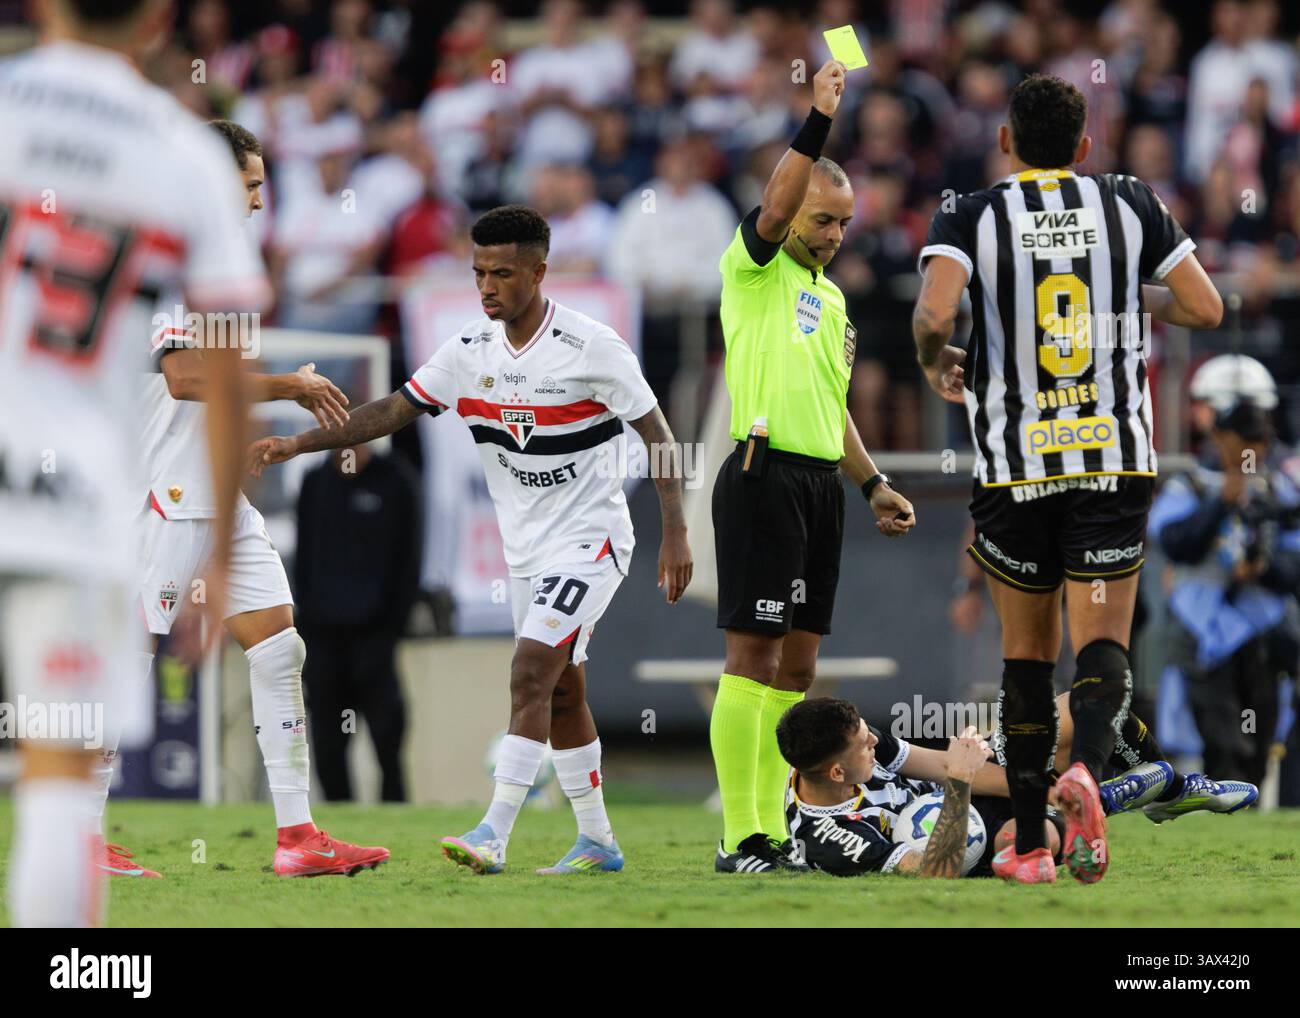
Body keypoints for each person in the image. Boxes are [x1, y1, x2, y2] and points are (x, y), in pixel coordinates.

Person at [249, 204, 693, 875]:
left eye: (503, 274)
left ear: (540, 272)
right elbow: (391, 410)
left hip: (591, 539)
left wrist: (676, 534)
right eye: (479, 272)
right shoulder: (467, 352)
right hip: (526, 555)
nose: (487, 286)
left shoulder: (591, 347)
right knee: (563, 690)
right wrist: (300, 442)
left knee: (530, 669)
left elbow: (658, 436)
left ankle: (494, 830)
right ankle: (598, 841)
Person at [912, 73, 1223, 884]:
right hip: (1111, 456)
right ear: (1085, 148)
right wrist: (1119, 295)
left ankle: (1028, 845)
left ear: (1006, 142)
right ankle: (1087, 770)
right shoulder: (1128, 201)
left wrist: (934, 363)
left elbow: (933, 317)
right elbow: (1205, 308)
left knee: (1023, 656)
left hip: (1016, 465)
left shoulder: (969, 212)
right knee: (1104, 645)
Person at [0, 0, 258, 925]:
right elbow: (222, 378)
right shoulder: (184, 157)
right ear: (157, 19)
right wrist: (221, 551)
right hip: (69, 509)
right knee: (58, 786)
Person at [125, 119, 390, 878]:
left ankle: (298, 836)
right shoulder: (168, 257)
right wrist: (288, 385)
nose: (256, 200)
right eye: (247, 185)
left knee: (279, 646)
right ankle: (80, 836)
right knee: (135, 654)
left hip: (215, 490)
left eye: (260, 186)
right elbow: (180, 377)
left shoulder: (222, 264)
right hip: (164, 493)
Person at [708, 58, 915, 875]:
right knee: (751, 658)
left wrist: (872, 482)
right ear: (792, 214)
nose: (833, 235)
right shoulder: (754, 270)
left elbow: (834, 411)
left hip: (821, 486)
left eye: (843, 224)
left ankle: (782, 822)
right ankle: (742, 835)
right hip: (762, 477)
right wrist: (820, 117)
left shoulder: (831, 300)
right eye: (823, 220)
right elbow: (778, 196)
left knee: (798, 665)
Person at [777, 697, 1257, 878]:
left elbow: (942, 766)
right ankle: (1122, 798)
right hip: (965, 835)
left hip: (960, 788)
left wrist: (1046, 790)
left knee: (1096, 706)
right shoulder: (836, 840)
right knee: (1027, 842)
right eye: (864, 744)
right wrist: (963, 789)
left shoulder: (855, 748)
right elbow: (935, 871)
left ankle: (1164, 793)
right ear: (836, 774)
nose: (873, 741)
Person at [1149, 358, 1299, 790]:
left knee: (1259, 734)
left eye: (1258, 440)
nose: (1250, 449)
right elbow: (1174, 542)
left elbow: (1293, 565)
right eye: (1242, 439)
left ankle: (1246, 800)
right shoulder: (1193, 486)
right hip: (1204, 636)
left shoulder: (1280, 489)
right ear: (1219, 436)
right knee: (1221, 740)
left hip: (1262, 635)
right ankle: (1219, 795)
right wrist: (1221, 504)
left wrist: (1262, 567)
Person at [295, 443, 423, 802]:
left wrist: (391, 631)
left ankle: (394, 810)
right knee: (328, 739)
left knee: (388, 734)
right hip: (323, 638)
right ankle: (337, 818)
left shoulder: (396, 481)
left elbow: (409, 561)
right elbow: (304, 561)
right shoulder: (315, 483)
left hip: (375, 637)